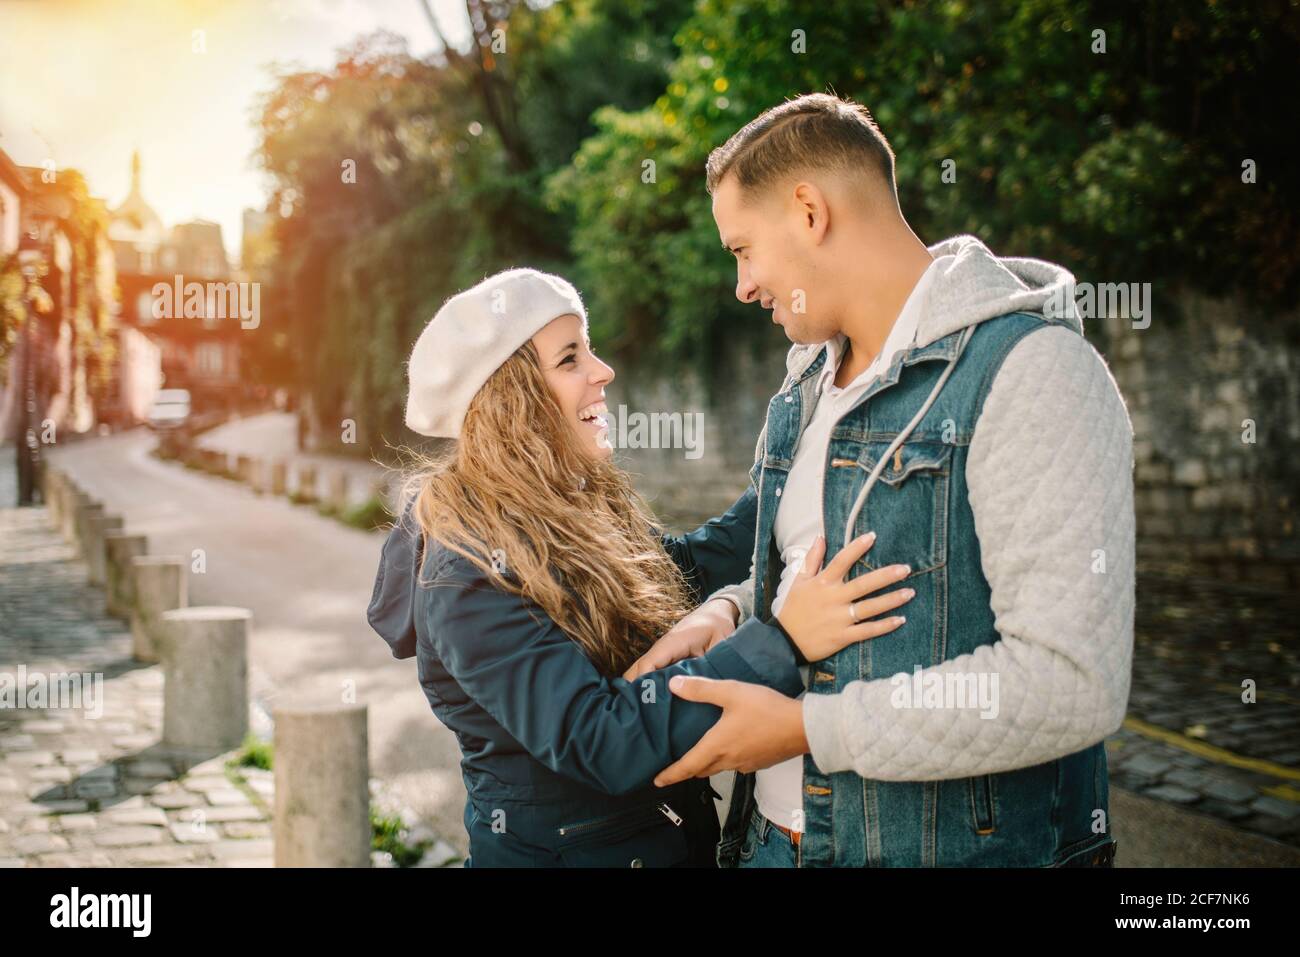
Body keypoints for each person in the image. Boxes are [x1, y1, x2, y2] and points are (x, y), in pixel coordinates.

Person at [650, 93, 1135, 868]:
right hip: (769, 844)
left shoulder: (1033, 371)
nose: (741, 285)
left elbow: (1071, 681)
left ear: (808, 211)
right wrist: (727, 608)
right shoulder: (807, 380)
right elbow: (813, 560)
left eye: (742, 249)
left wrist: (811, 730)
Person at [366, 267, 915, 866]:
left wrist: (794, 477)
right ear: (512, 402)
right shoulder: (464, 572)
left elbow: (677, 571)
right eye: (571, 359)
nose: (603, 371)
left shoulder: (570, 505)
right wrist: (782, 641)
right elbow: (599, 739)